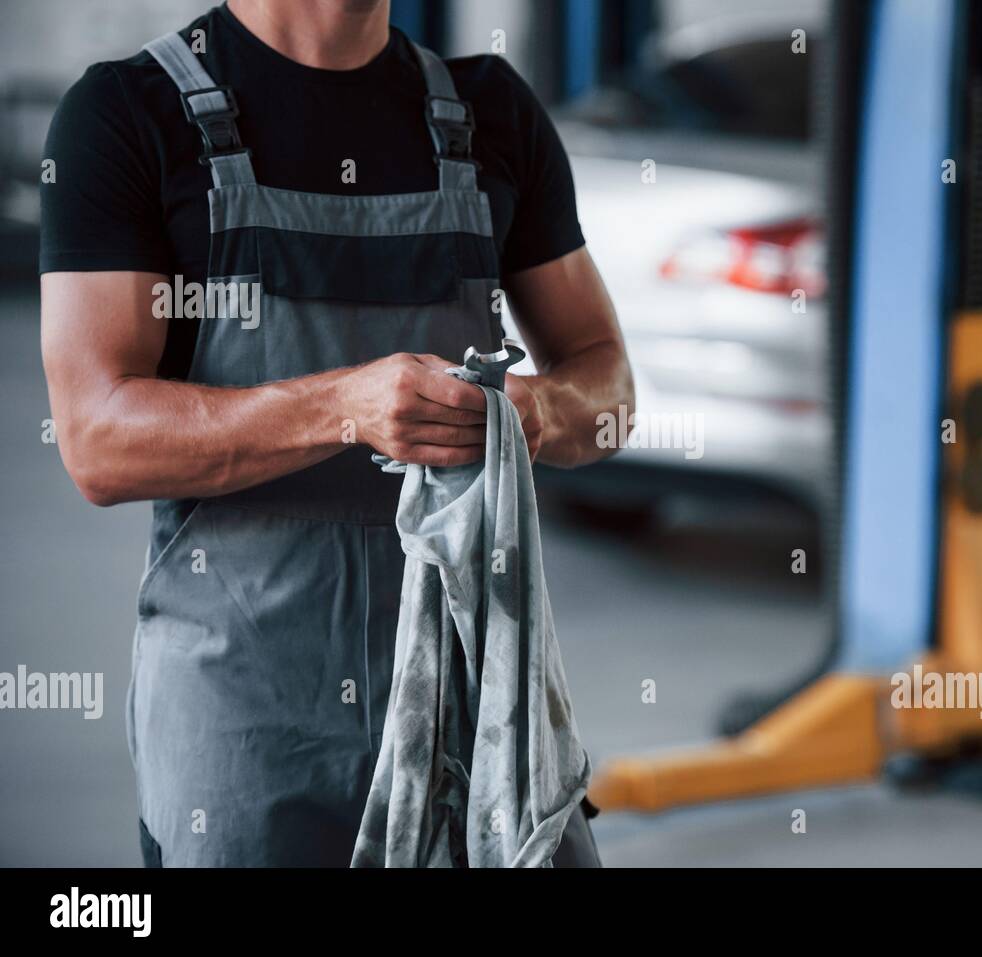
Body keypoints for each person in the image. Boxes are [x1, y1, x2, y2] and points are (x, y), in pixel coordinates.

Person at [39, 0, 632, 867]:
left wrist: (531, 412)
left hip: (477, 709)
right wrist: (344, 406)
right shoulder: (130, 116)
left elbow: (607, 383)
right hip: (246, 730)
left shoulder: (489, 112)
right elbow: (97, 439)